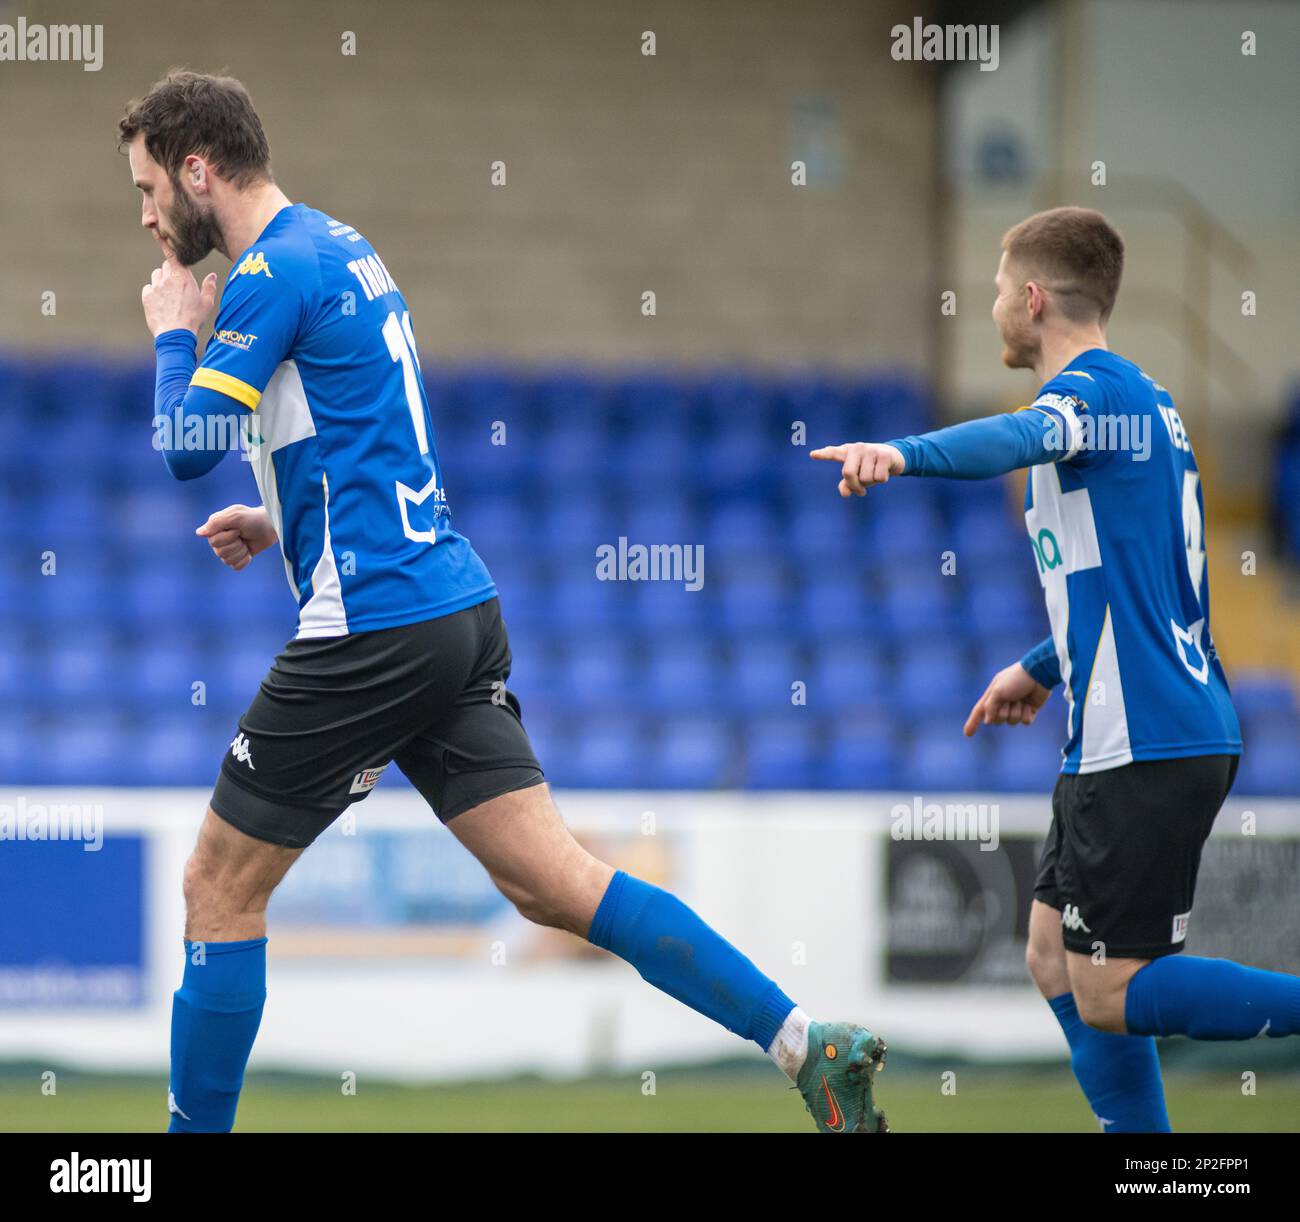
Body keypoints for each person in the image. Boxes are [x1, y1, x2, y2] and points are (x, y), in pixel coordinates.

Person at [121, 69, 886, 1134]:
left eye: (151, 188)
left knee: (218, 886)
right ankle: (805, 1041)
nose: (150, 215)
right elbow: (370, 428)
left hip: (378, 623)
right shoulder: (344, 248)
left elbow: (182, 449)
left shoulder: (261, 276)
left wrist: (172, 330)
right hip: (449, 607)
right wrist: (284, 520)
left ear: (198, 169)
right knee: (558, 884)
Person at [813, 206, 1298, 1132]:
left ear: (1032, 299)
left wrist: (899, 454)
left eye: (999, 290)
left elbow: (1016, 438)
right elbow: (1141, 578)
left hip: (1145, 736)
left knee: (1115, 990)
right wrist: (1040, 665)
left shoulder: (1094, 399)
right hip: (1129, 728)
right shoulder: (1147, 403)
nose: (993, 305)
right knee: (1050, 954)